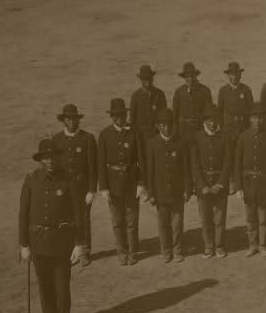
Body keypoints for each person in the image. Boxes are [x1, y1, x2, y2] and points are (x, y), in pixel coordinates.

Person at [19, 140, 86, 313]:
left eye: (52, 157)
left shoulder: (68, 179)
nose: (49, 161)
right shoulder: (31, 180)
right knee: (44, 284)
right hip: (38, 242)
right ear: (40, 160)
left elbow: (78, 213)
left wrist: (79, 243)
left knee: (62, 284)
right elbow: (23, 214)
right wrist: (24, 245)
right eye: (45, 157)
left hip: (61, 242)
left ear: (57, 158)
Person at [97, 99, 145, 266]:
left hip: (131, 184)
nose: (120, 118)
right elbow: (101, 163)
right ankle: (121, 251)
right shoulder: (104, 135)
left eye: (122, 115)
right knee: (117, 221)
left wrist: (141, 183)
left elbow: (141, 160)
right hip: (113, 185)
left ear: (126, 115)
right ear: (112, 117)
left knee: (132, 221)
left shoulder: (135, 133)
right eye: (116, 116)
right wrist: (103, 187)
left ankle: (133, 252)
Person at [234, 102, 266, 258]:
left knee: (263, 217)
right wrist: (238, 187)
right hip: (248, 184)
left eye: (260, 118)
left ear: (264, 119)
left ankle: (263, 245)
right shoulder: (243, 137)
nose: (257, 121)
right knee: (250, 217)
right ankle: (252, 245)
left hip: (264, 184)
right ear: (249, 119)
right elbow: (238, 164)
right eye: (254, 118)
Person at [52, 104, 97, 267]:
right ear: (63, 120)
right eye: (68, 119)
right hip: (63, 189)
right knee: (66, 220)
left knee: (83, 220)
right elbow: (54, 167)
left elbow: (93, 166)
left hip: (82, 188)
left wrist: (92, 190)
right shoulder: (56, 140)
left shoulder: (88, 138)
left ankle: (85, 252)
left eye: (74, 119)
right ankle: (71, 252)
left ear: (79, 120)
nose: (71, 122)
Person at [146, 108, 191, 263]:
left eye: (169, 124)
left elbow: (186, 169)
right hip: (160, 193)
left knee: (177, 224)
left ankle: (178, 250)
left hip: (177, 192)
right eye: (163, 125)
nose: (166, 128)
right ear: (158, 126)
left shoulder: (181, 142)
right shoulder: (152, 144)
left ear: (173, 125)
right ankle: (166, 250)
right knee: (163, 223)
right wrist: (151, 193)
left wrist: (187, 189)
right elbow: (150, 171)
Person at [190, 104, 232, 259]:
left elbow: (228, 162)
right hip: (204, 186)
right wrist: (202, 186)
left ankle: (220, 246)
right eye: (208, 120)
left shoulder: (225, 137)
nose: (212, 123)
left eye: (214, 120)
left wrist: (220, 183)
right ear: (204, 121)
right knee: (206, 218)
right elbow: (195, 165)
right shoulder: (197, 137)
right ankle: (208, 247)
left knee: (220, 219)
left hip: (220, 185)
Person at [172, 61, 213, 145]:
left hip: (199, 129)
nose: (190, 78)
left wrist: (206, 130)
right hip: (183, 130)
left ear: (195, 76)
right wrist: (176, 131)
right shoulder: (179, 92)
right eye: (187, 76)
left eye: (192, 76)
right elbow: (175, 114)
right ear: (184, 77)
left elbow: (208, 113)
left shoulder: (205, 91)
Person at [217, 61, 254, 146]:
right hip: (228, 129)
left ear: (240, 75)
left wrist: (249, 128)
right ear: (228, 76)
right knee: (229, 153)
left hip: (242, 127)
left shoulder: (246, 90)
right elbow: (219, 111)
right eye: (232, 74)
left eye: (237, 74)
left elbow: (250, 110)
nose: (234, 77)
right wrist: (221, 128)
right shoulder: (223, 90)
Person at [130, 64, 167, 149]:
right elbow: (133, 120)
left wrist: (159, 129)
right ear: (141, 80)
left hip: (156, 133)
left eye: (149, 78)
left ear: (152, 78)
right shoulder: (135, 96)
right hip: (141, 135)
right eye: (145, 79)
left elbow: (164, 116)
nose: (148, 81)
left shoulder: (160, 94)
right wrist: (136, 138)